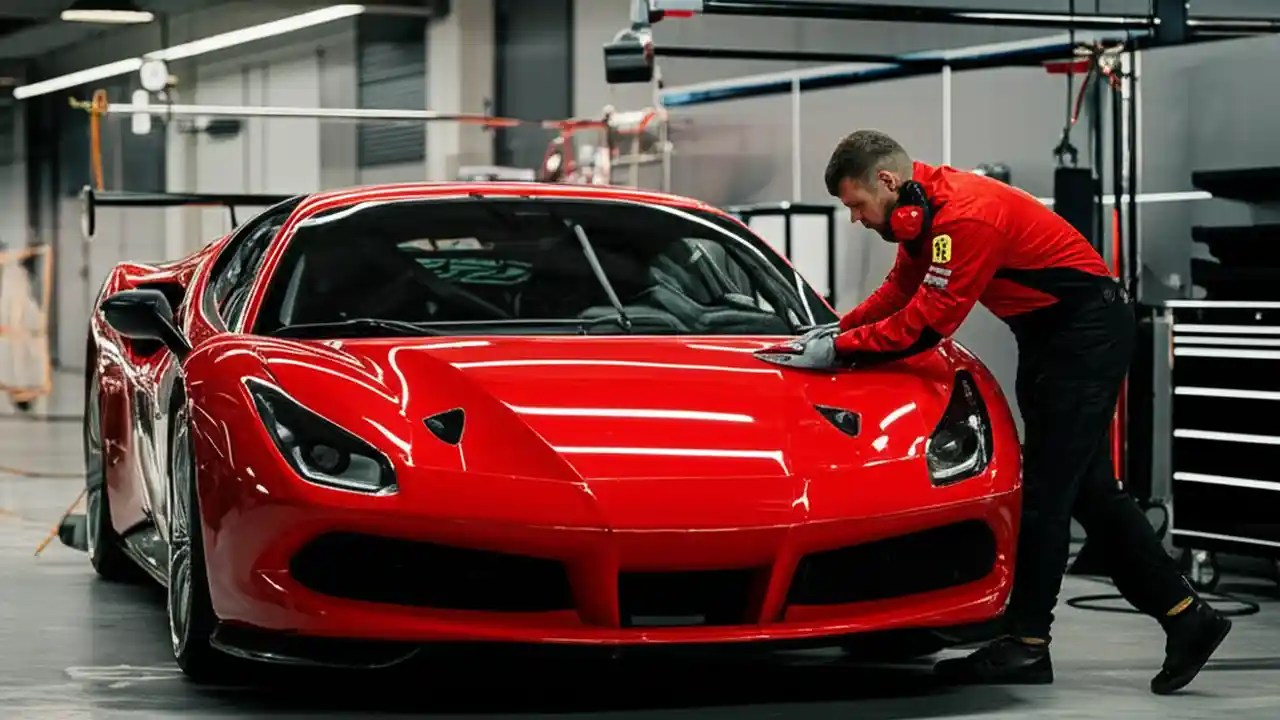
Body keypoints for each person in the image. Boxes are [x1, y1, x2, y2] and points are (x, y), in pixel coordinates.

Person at [813, 129, 1231, 694]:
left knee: (1045, 495)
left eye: (856, 205)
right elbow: (898, 291)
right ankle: (1187, 616)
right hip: (1047, 336)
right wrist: (832, 330)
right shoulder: (920, 214)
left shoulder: (966, 217)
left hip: (1086, 333)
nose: (857, 218)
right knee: (1087, 491)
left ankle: (1029, 643)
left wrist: (841, 351)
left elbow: (928, 324)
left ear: (886, 182)